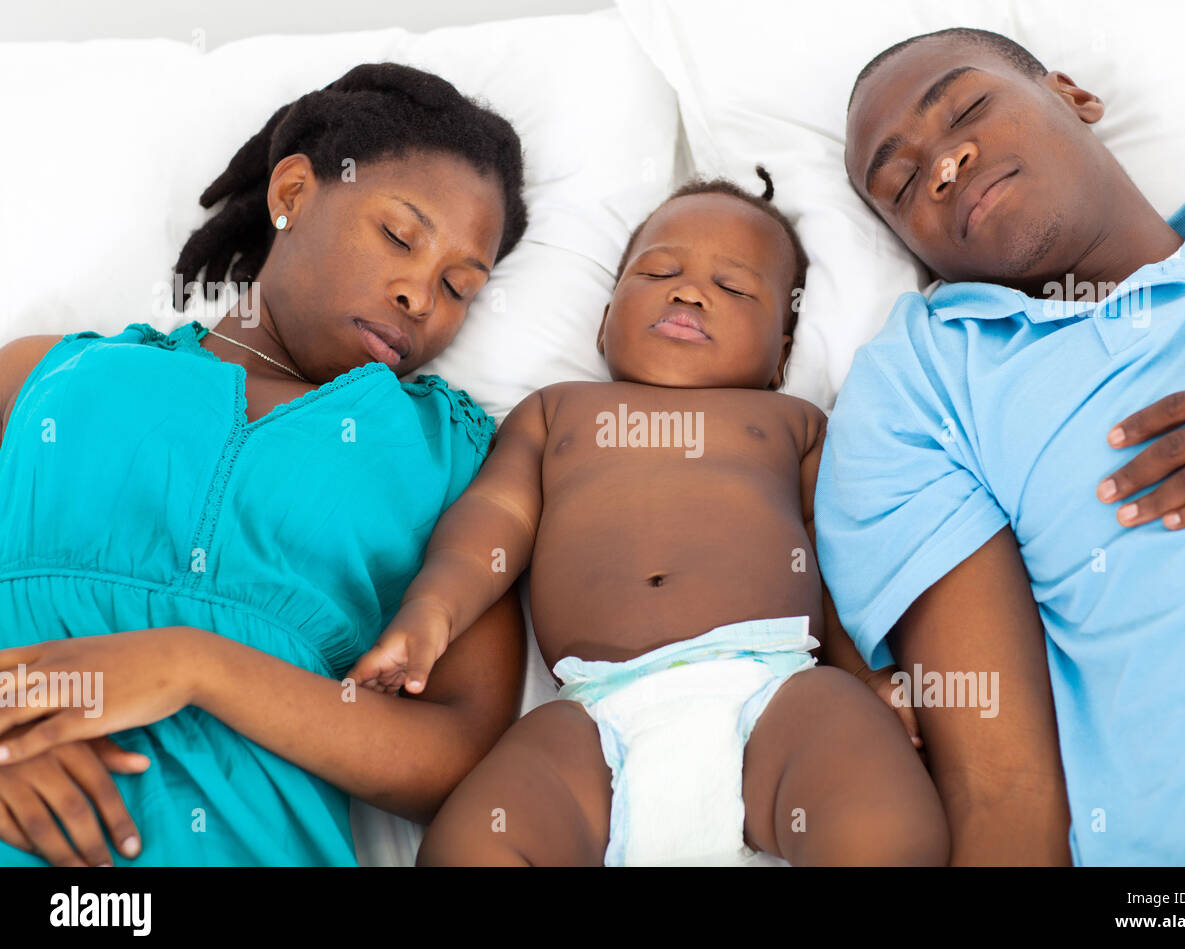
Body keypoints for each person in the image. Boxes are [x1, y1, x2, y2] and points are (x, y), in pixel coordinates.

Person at [0, 62, 528, 866]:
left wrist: (194, 664)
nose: (421, 296)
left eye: (460, 287)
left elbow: (455, 755)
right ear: (292, 195)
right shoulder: (42, 377)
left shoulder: (454, 456)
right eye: (399, 237)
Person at [348, 172, 945, 866]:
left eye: (735, 288)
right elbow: (492, 524)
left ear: (781, 354)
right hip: (595, 721)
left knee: (881, 815)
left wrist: (869, 679)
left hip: (774, 691)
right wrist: (430, 616)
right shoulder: (558, 411)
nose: (688, 291)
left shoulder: (793, 425)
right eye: (658, 270)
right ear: (604, 323)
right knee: (469, 843)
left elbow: (833, 561)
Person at [820, 26, 1185, 865]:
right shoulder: (925, 382)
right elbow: (1005, 800)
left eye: (967, 107)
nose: (942, 165)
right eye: (900, 185)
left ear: (1073, 97)